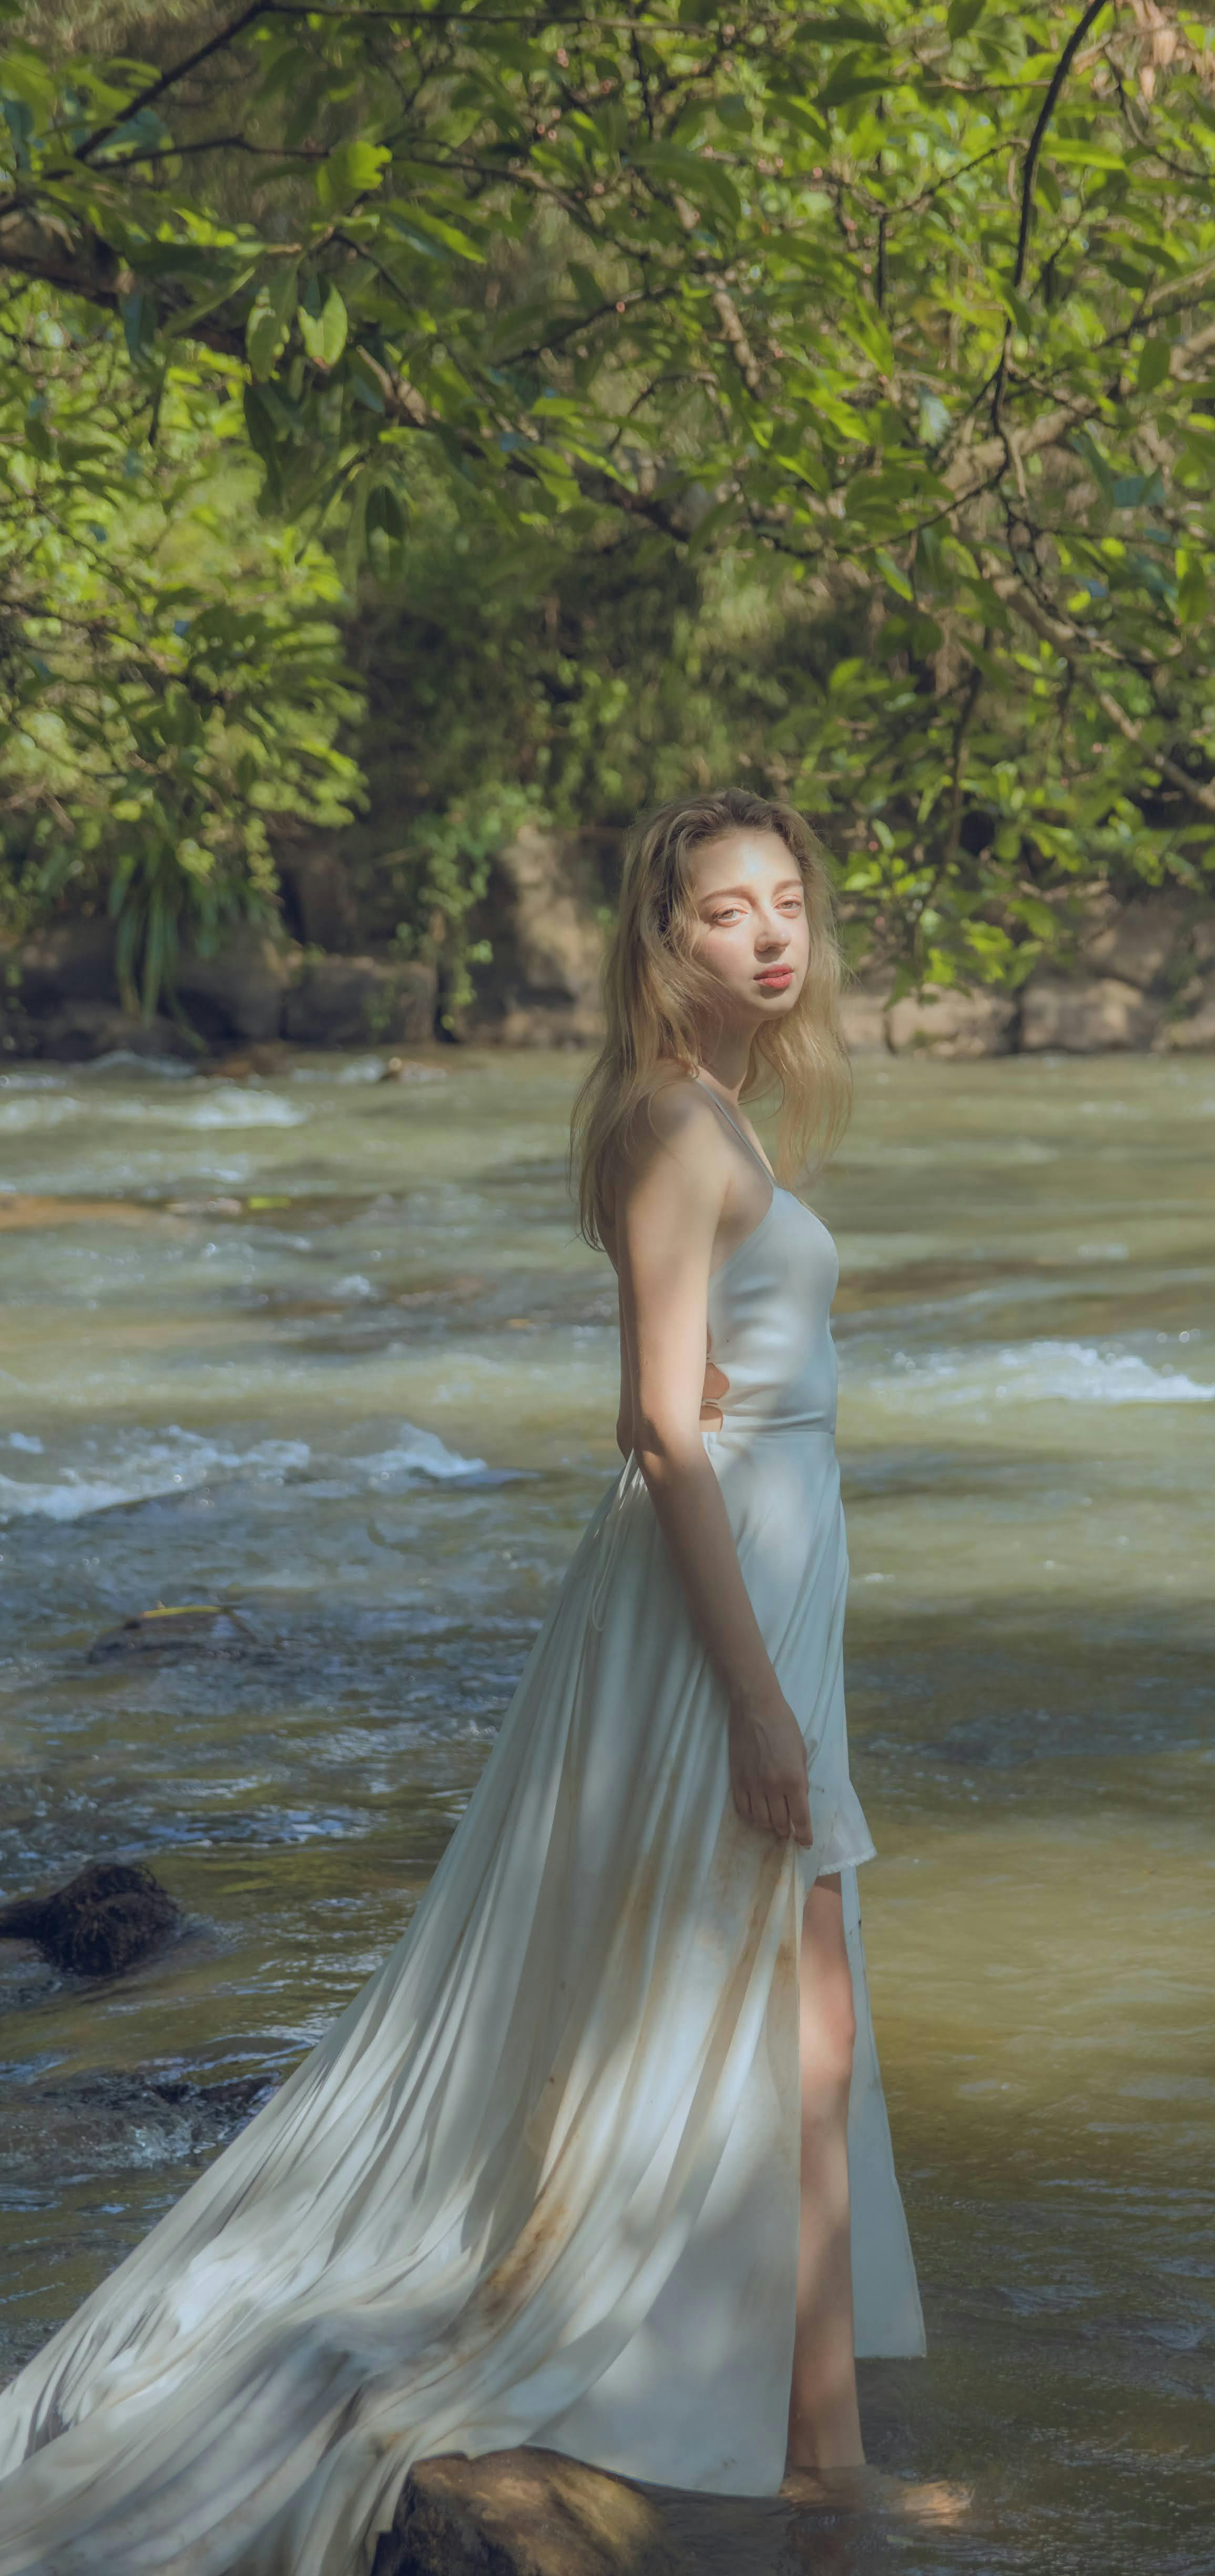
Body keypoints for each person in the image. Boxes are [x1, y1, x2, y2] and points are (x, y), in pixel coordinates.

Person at [0, 788, 925, 2576]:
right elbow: (661, 1428)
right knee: (796, 2034)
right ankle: (820, 2475)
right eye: (727, 910)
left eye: (788, 901)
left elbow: (692, 1407)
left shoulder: (721, 1117)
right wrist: (752, 1704)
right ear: (666, 942)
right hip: (703, 1632)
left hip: (759, 1598)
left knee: (803, 2038)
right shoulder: (673, 1123)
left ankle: (821, 2459)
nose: (770, 932)